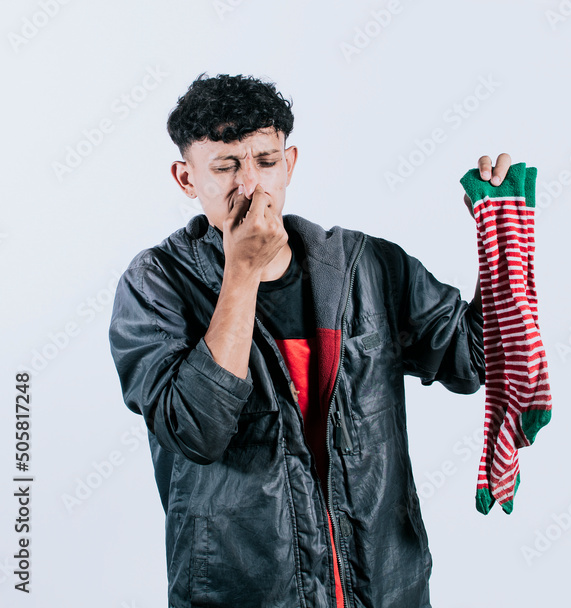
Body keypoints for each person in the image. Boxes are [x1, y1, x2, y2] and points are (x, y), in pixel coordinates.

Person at [107, 72, 515, 608]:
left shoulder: (364, 266)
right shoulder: (155, 284)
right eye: (225, 166)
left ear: (290, 163)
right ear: (187, 179)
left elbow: (479, 357)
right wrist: (241, 273)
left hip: (385, 590)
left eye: (266, 161)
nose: (250, 185)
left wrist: (499, 239)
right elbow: (196, 432)